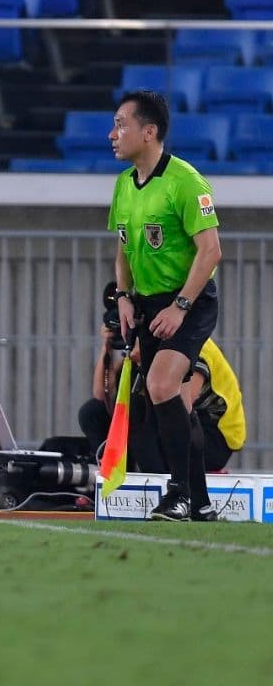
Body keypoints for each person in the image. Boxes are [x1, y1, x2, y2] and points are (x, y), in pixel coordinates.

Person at [108, 89, 223, 521]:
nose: (112, 134)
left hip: (190, 300)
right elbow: (123, 249)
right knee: (174, 402)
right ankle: (202, 502)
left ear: (149, 131)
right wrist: (123, 296)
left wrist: (180, 306)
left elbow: (211, 251)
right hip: (148, 304)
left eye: (121, 125)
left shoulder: (186, 182)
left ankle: (178, 494)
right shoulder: (123, 185)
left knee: (159, 386)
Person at [78, 328, 246, 475]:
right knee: (92, 412)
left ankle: (156, 486)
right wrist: (107, 345)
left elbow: (181, 404)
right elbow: (101, 394)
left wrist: (144, 357)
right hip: (174, 426)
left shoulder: (191, 340)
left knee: (138, 411)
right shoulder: (145, 347)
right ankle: (110, 474)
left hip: (211, 436)